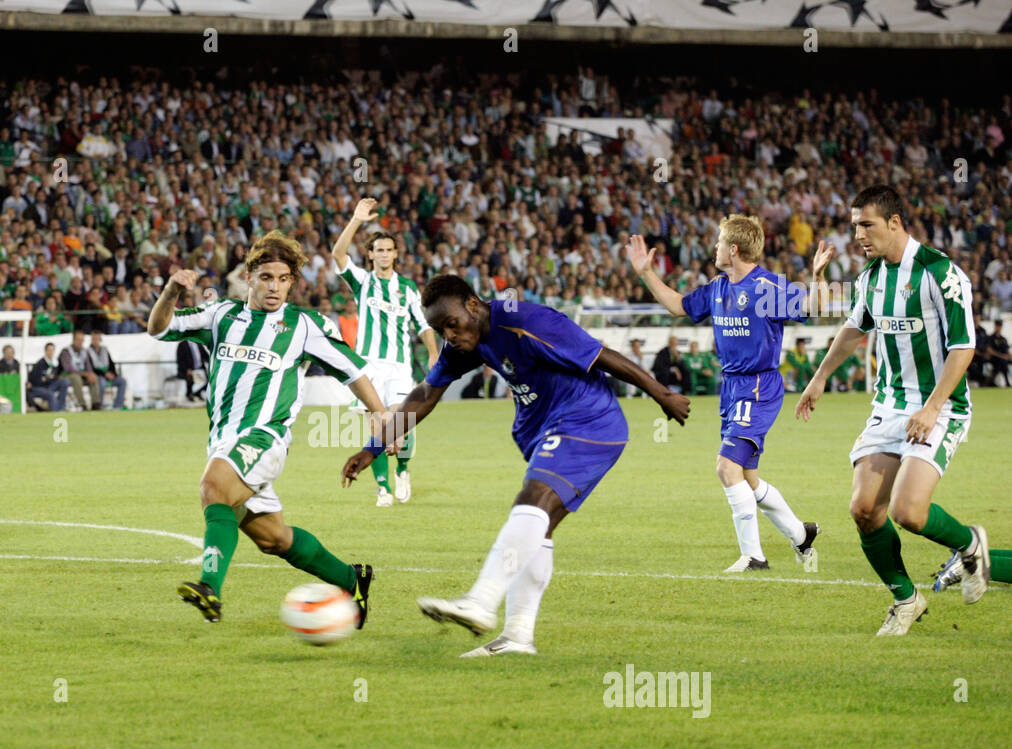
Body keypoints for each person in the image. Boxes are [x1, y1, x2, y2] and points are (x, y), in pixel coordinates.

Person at [342, 274, 690, 658]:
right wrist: (373, 448)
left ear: (473, 305)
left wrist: (663, 394)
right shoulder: (466, 339)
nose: (449, 336)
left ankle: (480, 601)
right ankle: (518, 636)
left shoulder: (528, 322)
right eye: (440, 329)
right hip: (549, 428)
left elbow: (601, 355)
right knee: (540, 529)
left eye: (452, 324)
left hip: (587, 421)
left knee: (533, 499)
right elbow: (426, 394)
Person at [148, 230, 386, 625]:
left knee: (213, 488)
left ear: (292, 282)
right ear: (249, 277)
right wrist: (172, 289)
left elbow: (352, 371)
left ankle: (209, 587)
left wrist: (381, 417)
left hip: (266, 438)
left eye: (283, 279)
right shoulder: (221, 315)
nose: (274, 287)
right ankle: (352, 579)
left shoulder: (304, 325)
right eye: (266, 277)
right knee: (274, 539)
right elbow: (158, 328)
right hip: (225, 441)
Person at [798, 184, 990, 635]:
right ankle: (907, 599)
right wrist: (821, 375)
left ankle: (970, 544)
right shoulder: (870, 278)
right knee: (864, 509)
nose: (859, 235)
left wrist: (932, 406)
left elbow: (964, 347)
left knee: (909, 512)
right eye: (854, 227)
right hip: (890, 406)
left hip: (940, 407)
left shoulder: (939, 272)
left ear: (894, 223)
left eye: (866, 225)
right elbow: (853, 327)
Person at [628, 216, 819, 573]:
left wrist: (819, 278)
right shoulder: (717, 288)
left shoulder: (766, 288)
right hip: (732, 389)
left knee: (726, 467)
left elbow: (810, 307)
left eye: (718, 243)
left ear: (733, 249)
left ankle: (754, 557)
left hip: (758, 386)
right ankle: (800, 534)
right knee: (747, 478)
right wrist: (645, 272)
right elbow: (678, 305)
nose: (714, 248)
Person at [331, 197, 440, 507]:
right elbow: (338, 253)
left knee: (401, 424)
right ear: (370, 255)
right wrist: (356, 220)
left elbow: (423, 325)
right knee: (377, 424)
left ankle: (402, 470)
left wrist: (433, 354)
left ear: (395, 254)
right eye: (378, 249)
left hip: (399, 365)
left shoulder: (407, 288)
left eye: (388, 249)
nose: (383, 254)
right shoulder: (362, 282)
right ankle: (382, 488)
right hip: (368, 367)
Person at [59, 329, 99, 410]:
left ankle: (96, 404)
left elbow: (88, 367)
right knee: (75, 377)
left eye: (82, 340)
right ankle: (82, 405)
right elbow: (68, 369)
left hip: (81, 376)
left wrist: (90, 374)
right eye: (78, 340)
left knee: (93, 377)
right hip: (65, 376)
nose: (80, 342)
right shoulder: (66, 351)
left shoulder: (84, 351)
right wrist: (84, 374)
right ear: (73, 340)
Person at [88, 330, 126, 409]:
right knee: (101, 383)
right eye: (93, 339)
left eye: (97, 339)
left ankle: (117, 406)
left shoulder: (105, 350)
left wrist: (113, 374)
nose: (95, 341)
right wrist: (105, 374)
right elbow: (91, 368)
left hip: (108, 374)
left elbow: (111, 364)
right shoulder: (88, 351)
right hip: (99, 375)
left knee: (122, 381)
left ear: (100, 340)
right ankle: (99, 406)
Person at [27, 341, 69, 411]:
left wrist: (50, 378)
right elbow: (34, 380)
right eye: (49, 350)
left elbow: (56, 376)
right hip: (38, 388)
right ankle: (56, 411)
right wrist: (45, 379)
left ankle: (61, 407)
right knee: (50, 394)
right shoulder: (40, 364)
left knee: (65, 382)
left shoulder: (55, 363)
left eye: (52, 350)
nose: (51, 352)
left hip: (49, 386)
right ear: (45, 351)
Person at [176, 338, 208, 402]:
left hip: (201, 369)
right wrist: (187, 370)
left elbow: (205, 356)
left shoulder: (198, 343)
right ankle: (190, 395)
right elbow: (180, 359)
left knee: (207, 382)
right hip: (190, 370)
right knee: (191, 382)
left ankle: (197, 394)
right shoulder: (182, 345)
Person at [988, 318, 1010, 387]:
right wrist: (1002, 356)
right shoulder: (991, 338)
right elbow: (990, 350)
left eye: (1000, 326)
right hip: (995, 358)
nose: (999, 327)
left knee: (1003, 361)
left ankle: (992, 381)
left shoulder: (1003, 339)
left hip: (1003, 359)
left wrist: (1008, 356)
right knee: (1001, 362)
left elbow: (1007, 350)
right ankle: (1006, 381)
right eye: (998, 325)